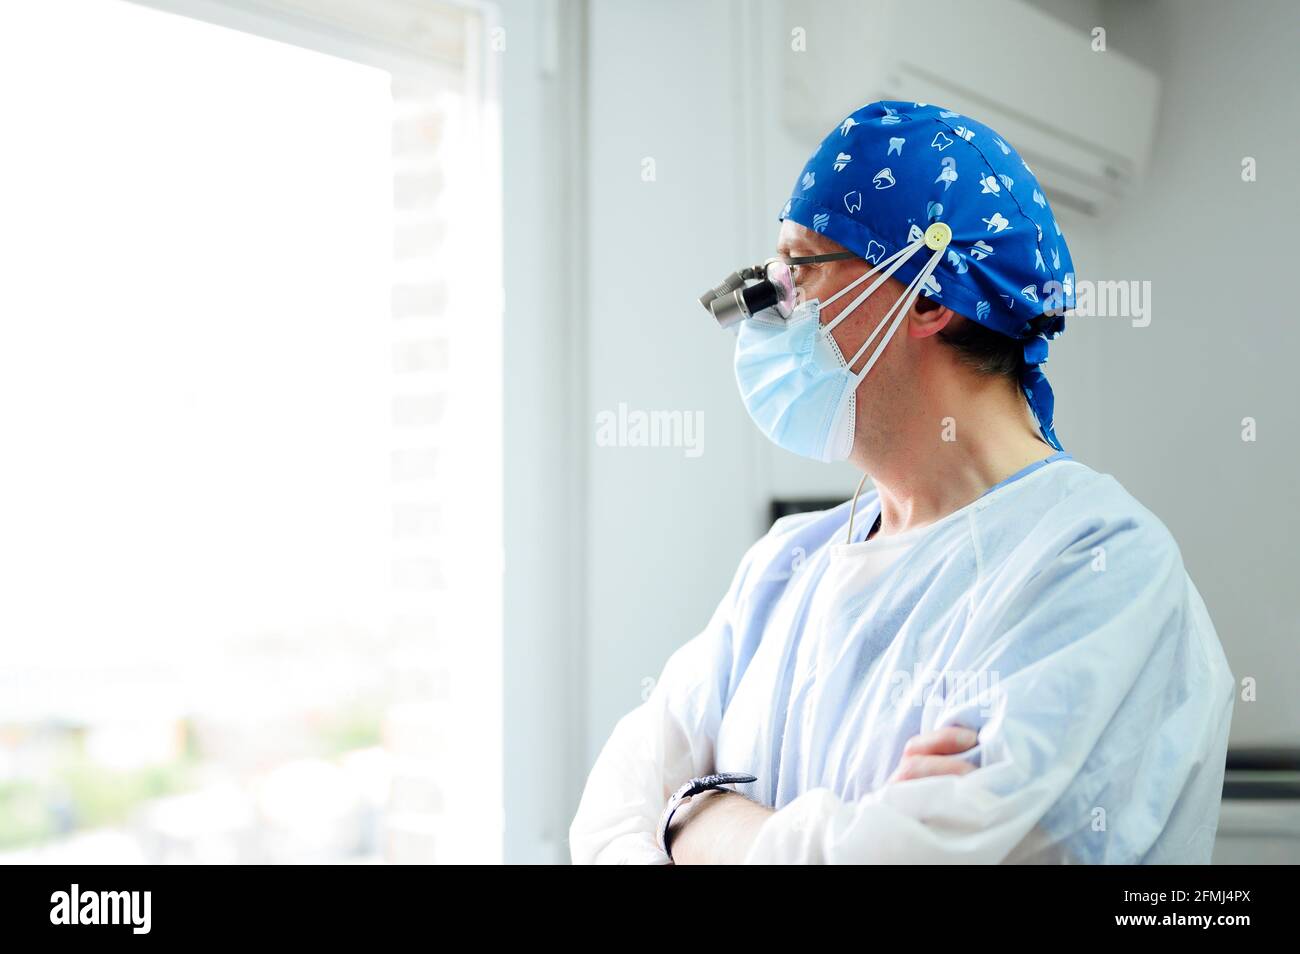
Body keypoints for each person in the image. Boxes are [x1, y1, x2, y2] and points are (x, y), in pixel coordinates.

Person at [569, 101, 1234, 864]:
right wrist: (838, 831)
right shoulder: (786, 568)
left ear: (924, 295)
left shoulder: (1099, 567)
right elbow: (604, 823)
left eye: (797, 268)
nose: (766, 306)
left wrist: (689, 814)